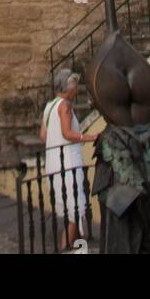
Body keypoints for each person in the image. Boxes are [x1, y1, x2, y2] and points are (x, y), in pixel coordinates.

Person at [40, 71, 93, 249]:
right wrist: (90, 137)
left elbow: (43, 136)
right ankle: (66, 248)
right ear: (68, 88)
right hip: (69, 162)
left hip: (53, 162)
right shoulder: (65, 106)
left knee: (71, 210)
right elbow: (67, 133)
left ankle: (77, 246)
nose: (76, 90)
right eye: (75, 87)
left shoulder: (49, 107)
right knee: (76, 211)